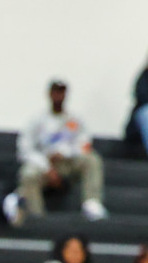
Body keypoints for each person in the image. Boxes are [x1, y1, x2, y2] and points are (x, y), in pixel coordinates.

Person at [15, 79, 106, 222]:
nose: (58, 96)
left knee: (92, 159)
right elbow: (24, 149)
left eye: (61, 93)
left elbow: (85, 143)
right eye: (55, 92)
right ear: (49, 94)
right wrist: (45, 166)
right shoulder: (36, 119)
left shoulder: (75, 119)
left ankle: (92, 202)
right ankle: (36, 216)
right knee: (28, 175)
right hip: (43, 165)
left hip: (68, 163)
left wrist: (65, 153)